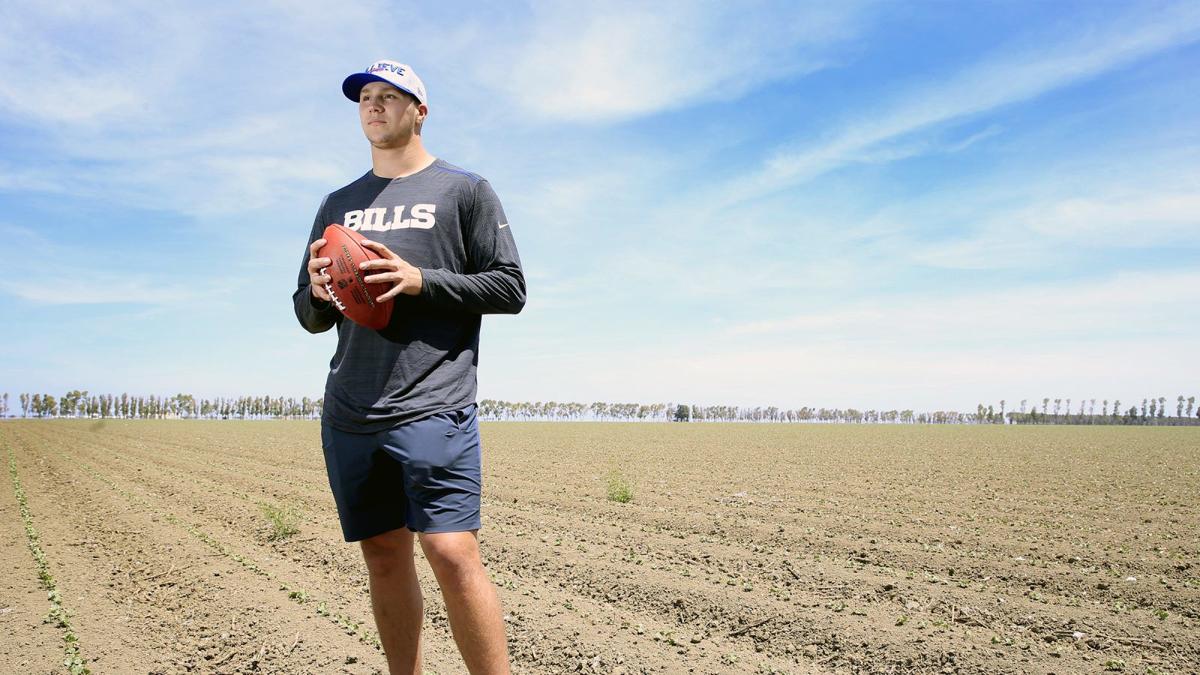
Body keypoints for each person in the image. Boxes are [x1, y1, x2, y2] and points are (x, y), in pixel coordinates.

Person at [292, 59, 525, 674]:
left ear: (419, 110)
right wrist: (318, 295)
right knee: (383, 554)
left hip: (432, 400)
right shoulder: (336, 204)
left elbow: (510, 288)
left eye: (389, 97)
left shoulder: (463, 190)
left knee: (451, 551)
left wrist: (420, 281)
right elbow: (308, 316)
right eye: (364, 98)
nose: (373, 107)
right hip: (350, 408)